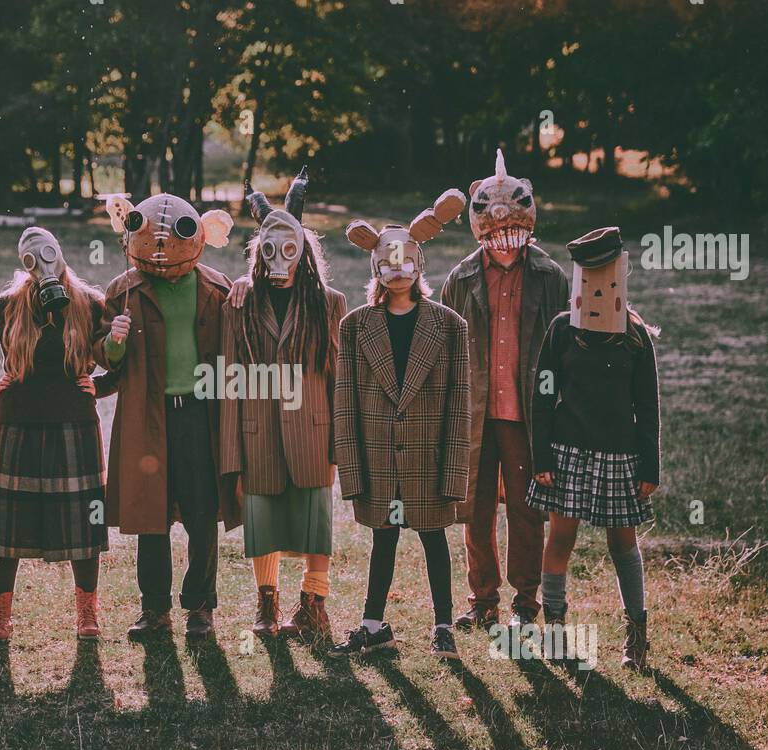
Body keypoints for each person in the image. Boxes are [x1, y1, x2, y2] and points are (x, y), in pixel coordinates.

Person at [94, 193, 241, 641]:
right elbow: (106, 357)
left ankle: (200, 608)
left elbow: (240, 344)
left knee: (202, 513)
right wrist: (115, 341)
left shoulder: (218, 288)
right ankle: (154, 609)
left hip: (199, 415)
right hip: (149, 415)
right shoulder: (123, 290)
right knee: (150, 514)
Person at [330, 195, 471, 660]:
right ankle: (373, 626)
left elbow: (459, 407)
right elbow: (345, 406)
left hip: (430, 460)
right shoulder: (354, 327)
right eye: (388, 263)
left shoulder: (449, 326)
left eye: (406, 261)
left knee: (434, 539)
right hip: (379, 462)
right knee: (384, 539)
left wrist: (453, 475)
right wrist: (353, 474)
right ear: (375, 268)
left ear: (419, 264)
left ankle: (444, 626)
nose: (398, 271)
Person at [439, 149, 570, 634]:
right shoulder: (461, 279)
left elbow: (565, 347)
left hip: (525, 413)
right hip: (474, 413)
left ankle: (526, 601)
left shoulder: (550, 278)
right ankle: (483, 598)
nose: (503, 238)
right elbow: (446, 347)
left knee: (526, 508)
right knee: (475, 511)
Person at [0, 227, 114, 643]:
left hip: (74, 424)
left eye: (47, 253)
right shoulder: (9, 305)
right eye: (32, 259)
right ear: (24, 266)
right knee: (7, 527)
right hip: (18, 423)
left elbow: (124, 351)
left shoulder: (90, 303)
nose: (43, 264)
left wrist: (102, 385)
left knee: (83, 524)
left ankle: (87, 612)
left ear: (60, 253)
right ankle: (0, 617)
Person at [527, 226, 660, 670]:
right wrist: (542, 457)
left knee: (623, 543)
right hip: (567, 452)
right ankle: (556, 633)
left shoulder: (634, 336)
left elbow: (648, 406)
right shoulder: (562, 331)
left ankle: (636, 637)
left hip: (619, 454)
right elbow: (543, 397)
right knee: (560, 538)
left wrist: (650, 466)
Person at [222, 169, 346, 641]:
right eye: (269, 249)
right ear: (259, 252)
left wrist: (338, 446)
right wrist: (232, 456)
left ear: (303, 252)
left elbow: (337, 379)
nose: (279, 258)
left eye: (289, 248)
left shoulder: (328, 303)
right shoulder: (241, 303)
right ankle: (267, 600)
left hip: (312, 430)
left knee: (316, 521)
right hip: (258, 432)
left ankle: (314, 603)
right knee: (262, 519)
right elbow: (230, 380)